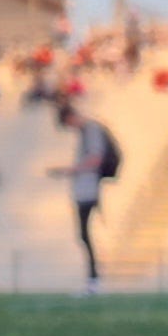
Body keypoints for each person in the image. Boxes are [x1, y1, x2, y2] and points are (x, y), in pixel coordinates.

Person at [54, 100, 119, 293]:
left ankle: (94, 279)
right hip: (85, 188)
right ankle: (93, 278)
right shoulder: (86, 131)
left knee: (85, 233)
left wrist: (70, 170)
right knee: (83, 234)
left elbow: (95, 159)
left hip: (88, 189)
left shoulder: (91, 129)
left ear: (70, 117)